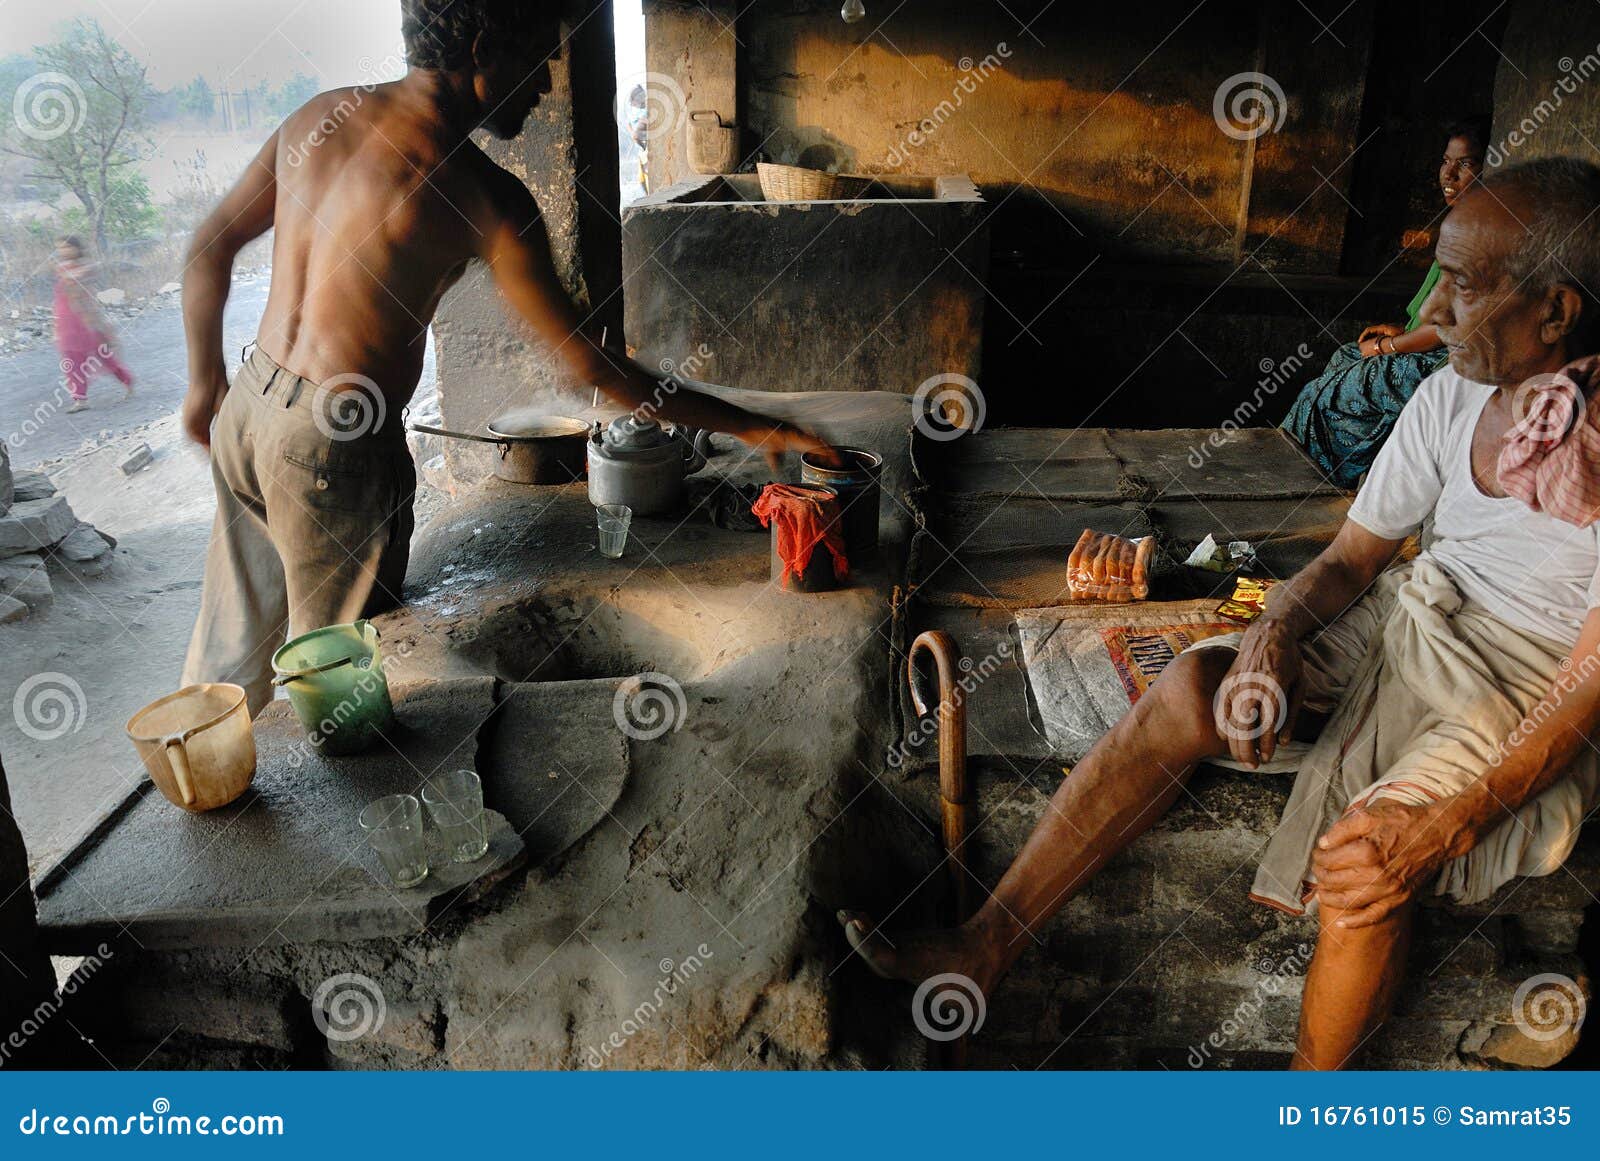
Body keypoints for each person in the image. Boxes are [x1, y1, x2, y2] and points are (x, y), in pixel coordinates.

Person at [840, 158, 1600, 1070]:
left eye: (1466, 290)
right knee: (1195, 686)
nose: (1432, 315)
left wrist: (1451, 820)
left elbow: (1587, 683)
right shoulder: (1450, 396)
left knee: (1365, 866)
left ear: (1555, 313)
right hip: (1418, 611)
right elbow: (1354, 559)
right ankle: (987, 942)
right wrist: (1275, 635)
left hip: (1537, 674)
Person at [179, 2, 832, 715]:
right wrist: (752, 424)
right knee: (343, 687)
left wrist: (203, 382)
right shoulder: (482, 196)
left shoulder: (319, 118)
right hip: (332, 454)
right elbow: (592, 367)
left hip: (249, 410)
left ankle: (206, 782)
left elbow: (208, 248)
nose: (548, 88)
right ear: (485, 50)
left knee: (227, 666)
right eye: (538, 62)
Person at [1281, 122, 1487, 486]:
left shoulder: (1481, 234)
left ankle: (1305, 486)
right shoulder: (1461, 221)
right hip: (1425, 346)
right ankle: (1339, 473)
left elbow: (1446, 329)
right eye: (1445, 161)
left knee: (1322, 392)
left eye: (1466, 164)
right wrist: (1403, 333)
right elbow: (1433, 312)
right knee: (1344, 357)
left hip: (1444, 364)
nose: (1449, 174)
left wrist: (1386, 347)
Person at [52, 236, 134, 414]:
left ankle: (126, 380)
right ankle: (80, 399)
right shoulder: (61, 269)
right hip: (66, 320)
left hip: (87, 320)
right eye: (60, 248)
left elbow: (80, 287)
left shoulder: (88, 268)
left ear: (77, 248)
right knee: (72, 360)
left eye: (67, 247)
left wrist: (96, 323)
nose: (63, 251)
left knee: (103, 355)